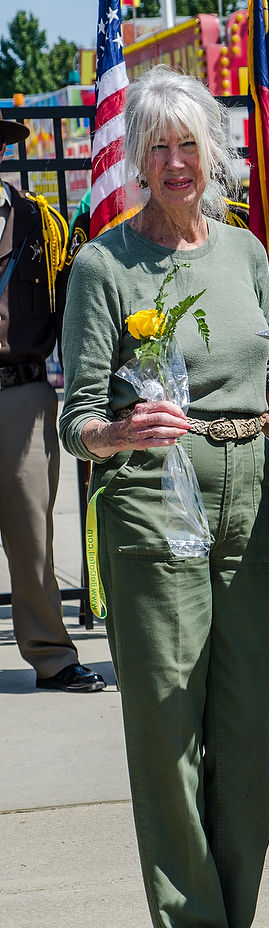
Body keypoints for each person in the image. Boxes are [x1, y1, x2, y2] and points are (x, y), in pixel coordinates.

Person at [59, 66, 269, 928]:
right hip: (156, 509)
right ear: (134, 159)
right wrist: (123, 430)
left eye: (188, 143)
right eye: (155, 147)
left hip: (252, 503)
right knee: (169, 738)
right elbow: (78, 418)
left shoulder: (243, 251)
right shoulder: (101, 268)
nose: (173, 162)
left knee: (247, 743)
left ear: (215, 153)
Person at [0, 112, 105, 694]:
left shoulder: (42, 222)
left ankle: (50, 656)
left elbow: (74, 309)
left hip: (23, 391)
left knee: (33, 535)